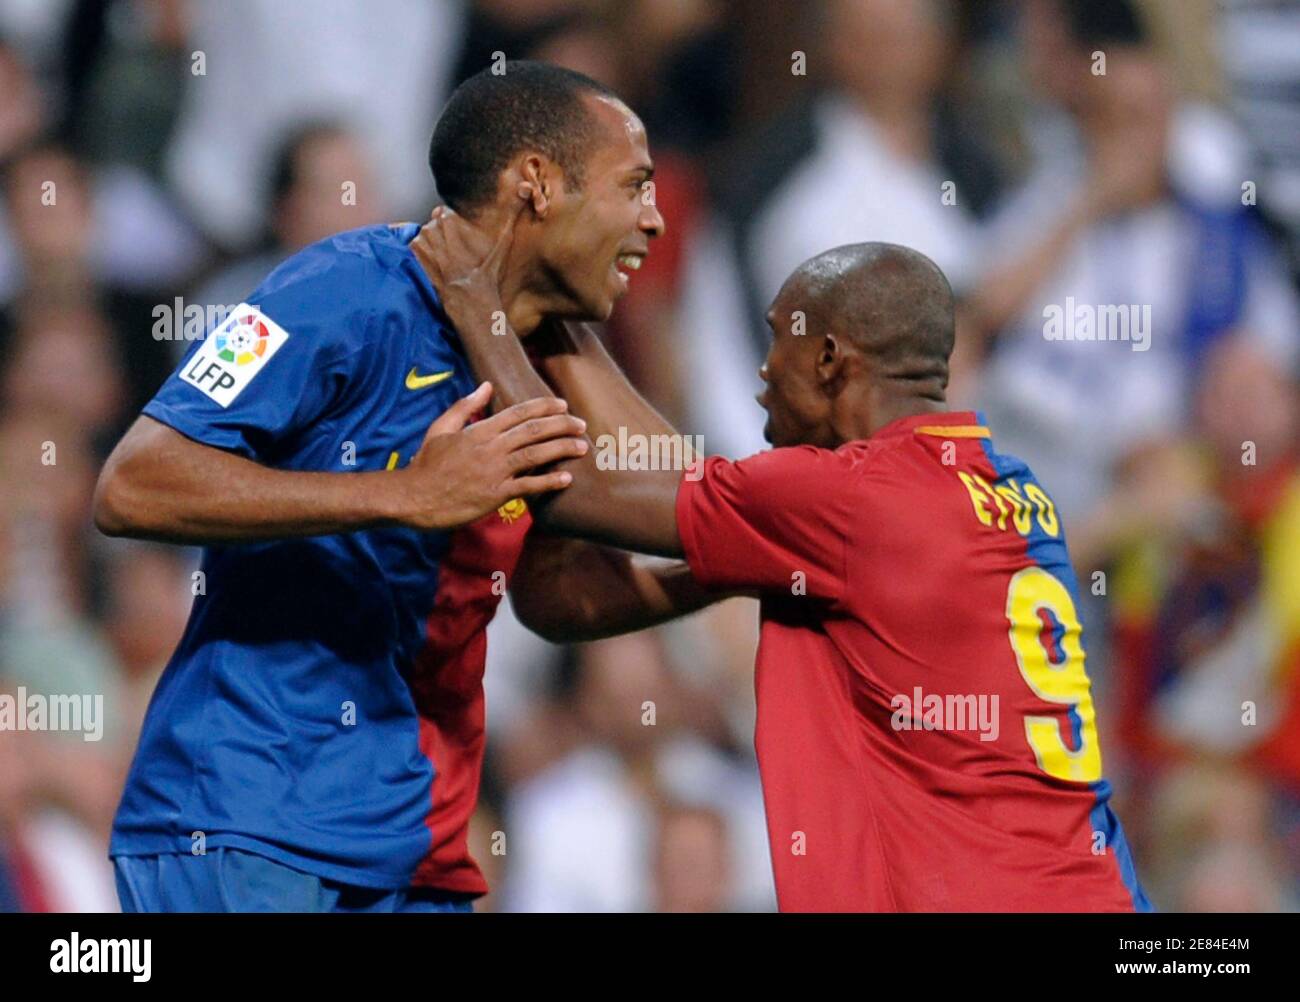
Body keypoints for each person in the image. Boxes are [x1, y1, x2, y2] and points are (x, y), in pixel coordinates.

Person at [94, 61, 714, 913]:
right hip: (247, 826)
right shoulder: (334, 289)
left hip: (418, 850)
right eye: (633, 186)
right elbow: (132, 481)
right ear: (535, 183)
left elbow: (565, 584)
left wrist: (733, 569)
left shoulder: (538, 358)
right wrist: (402, 495)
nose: (653, 218)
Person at [422, 214, 1151, 911]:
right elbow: (578, 587)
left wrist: (489, 309)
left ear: (830, 358)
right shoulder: (1007, 487)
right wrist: (562, 319)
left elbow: (593, 486)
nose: (763, 372)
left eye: (777, 342)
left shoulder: (854, 502)